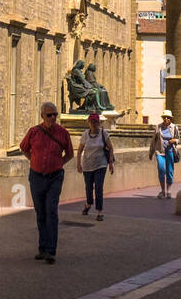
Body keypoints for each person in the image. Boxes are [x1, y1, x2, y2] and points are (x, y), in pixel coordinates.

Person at [19, 101, 74, 262]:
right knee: (40, 213)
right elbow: (24, 148)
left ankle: (51, 250)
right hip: (36, 176)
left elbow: (69, 153)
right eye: (49, 115)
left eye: (55, 114)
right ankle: (42, 248)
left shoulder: (63, 133)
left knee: (51, 210)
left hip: (54, 177)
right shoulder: (34, 132)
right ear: (42, 116)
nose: (53, 118)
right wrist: (33, 161)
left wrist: (58, 164)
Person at [76, 111, 114, 220]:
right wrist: (78, 164)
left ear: (99, 123)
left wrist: (110, 163)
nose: (94, 124)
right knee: (88, 187)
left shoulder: (104, 133)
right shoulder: (85, 134)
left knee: (98, 187)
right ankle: (88, 204)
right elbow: (79, 151)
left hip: (100, 165)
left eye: (96, 122)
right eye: (92, 122)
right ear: (89, 123)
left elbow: (110, 148)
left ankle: (100, 211)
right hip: (87, 165)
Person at [148, 110, 179, 198]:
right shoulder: (158, 127)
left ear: (170, 119)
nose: (166, 119)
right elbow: (153, 141)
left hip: (170, 152)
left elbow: (178, 139)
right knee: (161, 170)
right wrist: (151, 152)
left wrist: (174, 141)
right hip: (159, 152)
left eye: (168, 117)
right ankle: (162, 191)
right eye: (164, 117)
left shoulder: (174, 127)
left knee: (169, 172)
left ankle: (168, 191)